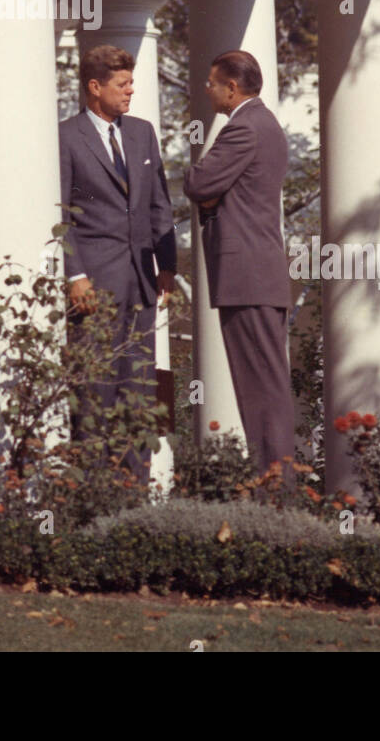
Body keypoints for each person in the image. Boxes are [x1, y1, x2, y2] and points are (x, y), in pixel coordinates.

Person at [58, 44, 178, 479]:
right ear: (95, 87)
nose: (131, 90)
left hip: (142, 283)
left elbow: (159, 204)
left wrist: (167, 268)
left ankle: (136, 495)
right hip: (92, 286)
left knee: (139, 390)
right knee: (94, 391)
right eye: (122, 83)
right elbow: (60, 214)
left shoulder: (143, 132)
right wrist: (75, 275)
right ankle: (93, 494)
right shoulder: (65, 136)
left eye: (131, 81)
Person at [183, 49, 294, 482]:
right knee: (264, 391)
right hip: (257, 277)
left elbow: (198, 183)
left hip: (249, 278)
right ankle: (277, 489)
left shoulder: (243, 128)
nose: (208, 89)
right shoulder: (264, 124)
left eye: (213, 82)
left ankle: (277, 494)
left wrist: (211, 194)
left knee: (261, 394)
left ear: (233, 87)